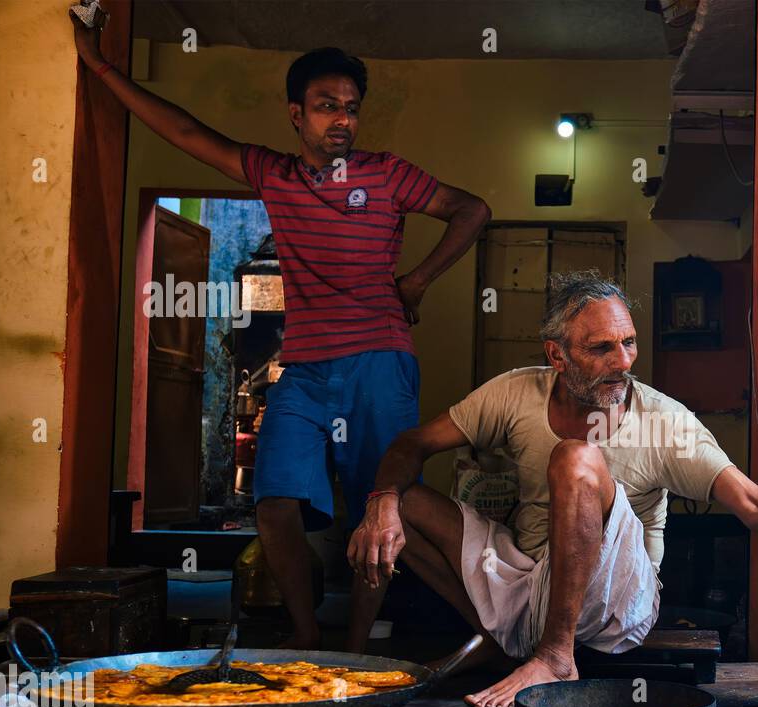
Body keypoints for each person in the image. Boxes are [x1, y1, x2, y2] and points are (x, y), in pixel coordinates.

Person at [72, 15, 491, 649]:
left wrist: (418, 281)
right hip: (304, 370)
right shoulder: (275, 175)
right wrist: (101, 67)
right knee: (273, 504)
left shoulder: (385, 173)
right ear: (296, 114)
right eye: (327, 106)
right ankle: (307, 638)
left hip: (378, 360)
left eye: (351, 108)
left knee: (383, 504)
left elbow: (472, 209)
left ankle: (355, 650)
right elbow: (185, 130)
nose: (342, 119)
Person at [348, 272, 758, 707]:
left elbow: (753, 503)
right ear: (556, 355)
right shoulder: (514, 394)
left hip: (616, 603)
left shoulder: (665, 423)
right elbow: (411, 444)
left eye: (628, 343)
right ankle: (375, 658)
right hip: (527, 584)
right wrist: (382, 505)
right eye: (601, 348)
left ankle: (555, 657)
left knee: (576, 457)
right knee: (405, 501)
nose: (622, 362)